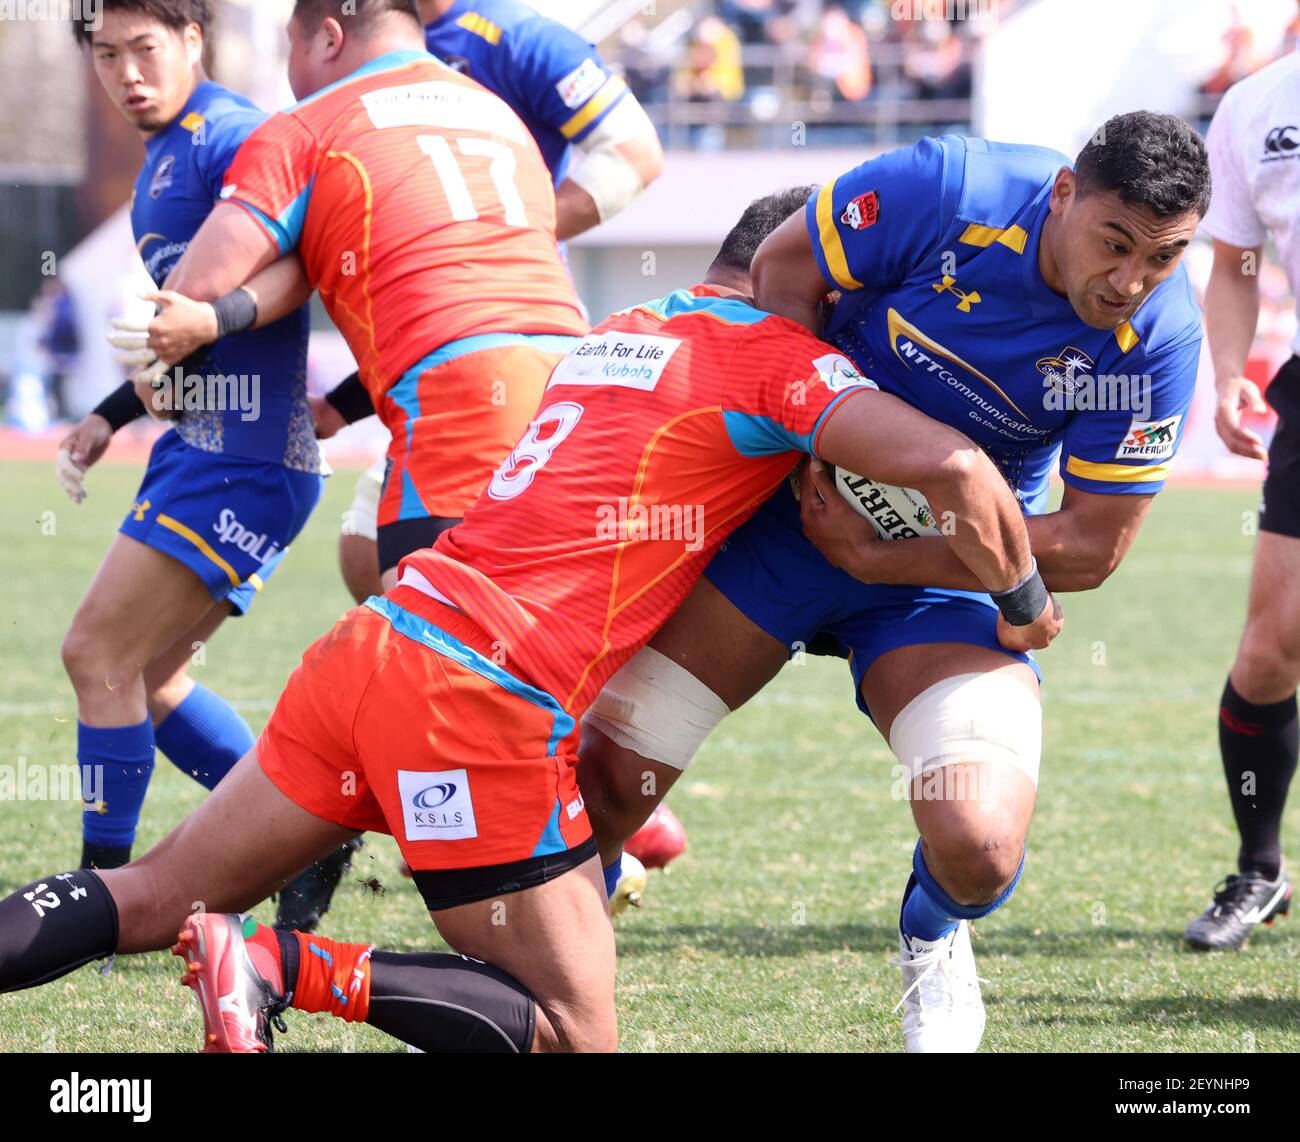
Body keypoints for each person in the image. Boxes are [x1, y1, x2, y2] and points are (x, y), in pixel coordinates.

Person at [0, 188, 1061, 1054]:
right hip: (479, 692)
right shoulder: (779, 355)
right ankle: (285, 966)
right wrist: (1017, 601)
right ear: (811, 280)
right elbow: (952, 464)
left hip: (377, 640)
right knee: (568, 1029)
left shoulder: (621, 329)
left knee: (150, 894)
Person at [577, 112, 1210, 1052]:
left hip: (951, 567)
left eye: (1163, 259)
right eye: (1115, 246)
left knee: (981, 848)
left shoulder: (1157, 337)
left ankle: (933, 932)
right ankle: (551, 988)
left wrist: (885, 557)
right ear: (1066, 195)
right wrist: (798, 449)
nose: (1131, 283)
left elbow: (1087, 546)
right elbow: (785, 270)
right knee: (602, 794)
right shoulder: (954, 186)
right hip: (788, 517)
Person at [114, 0, 591, 928]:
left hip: (457, 444)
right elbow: (476, 293)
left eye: (291, 45)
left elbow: (196, 291)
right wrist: (333, 403)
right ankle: (585, 886)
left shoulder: (311, 124)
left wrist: (170, 337)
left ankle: (283, 920)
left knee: (436, 728)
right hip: (581, 422)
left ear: (326, 33)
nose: (289, 67)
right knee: (549, 704)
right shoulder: (499, 116)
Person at [58, 0, 322, 874]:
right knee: (154, 673)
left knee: (98, 654)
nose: (126, 73)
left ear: (193, 41)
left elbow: (301, 262)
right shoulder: (162, 160)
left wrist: (215, 316)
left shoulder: (234, 134)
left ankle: (103, 894)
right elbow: (181, 337)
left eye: (144, 49)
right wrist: (111, 414)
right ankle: (305, 843)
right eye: (106, 55)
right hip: (208, 446)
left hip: (243, 455)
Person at [332, 0, 666, 606]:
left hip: (509, 332)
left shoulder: (517, 37)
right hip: (428, 334)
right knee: (363, 547)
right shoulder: (356, 38)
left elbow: (636, 151)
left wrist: (521, 232)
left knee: (462, 577)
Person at [1185, 47, 1300, 950]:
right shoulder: (1255, 105)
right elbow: (1236, 262)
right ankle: (1261, 871)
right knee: (1270, 654)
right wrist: (1229, 374)